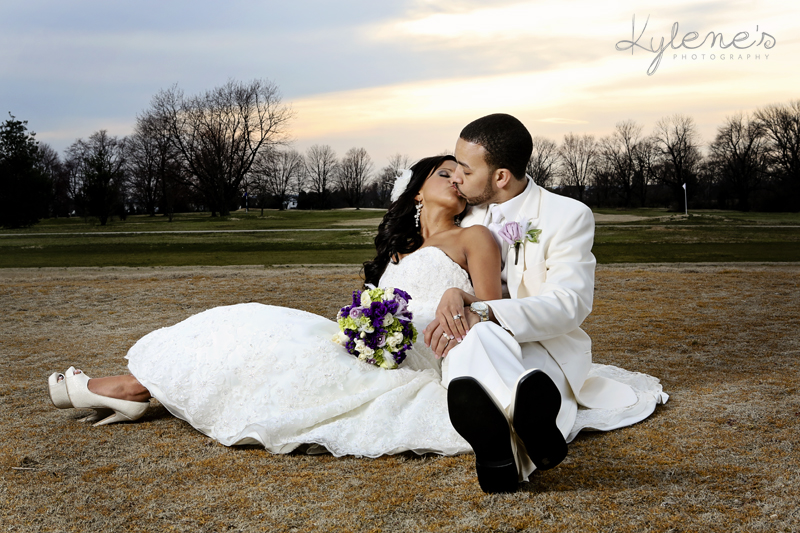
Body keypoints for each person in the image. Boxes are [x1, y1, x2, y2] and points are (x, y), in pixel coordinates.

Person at [47, 155, 498, 456]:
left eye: (461, 175)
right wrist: (364, 325)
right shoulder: (398, 252)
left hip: (427, 349)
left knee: (285, 354)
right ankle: (138, 386)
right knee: (248, 323)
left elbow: (499, 309)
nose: (457, 180)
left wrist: (460, 296)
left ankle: (130, 391)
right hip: (376, 346)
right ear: (417, 191)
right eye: (446, 173)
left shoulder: (472, 237)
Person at [423, 113, 668, 493]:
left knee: (481, 347)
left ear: (501, 176)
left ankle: (499, 458)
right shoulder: (461, 212)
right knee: (477, 344)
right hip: (477, 342)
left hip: (542, 346)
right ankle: (527, 445)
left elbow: (570, 304)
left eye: (465, 171)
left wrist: (485, 311)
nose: (455, 178)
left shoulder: (566, 216)